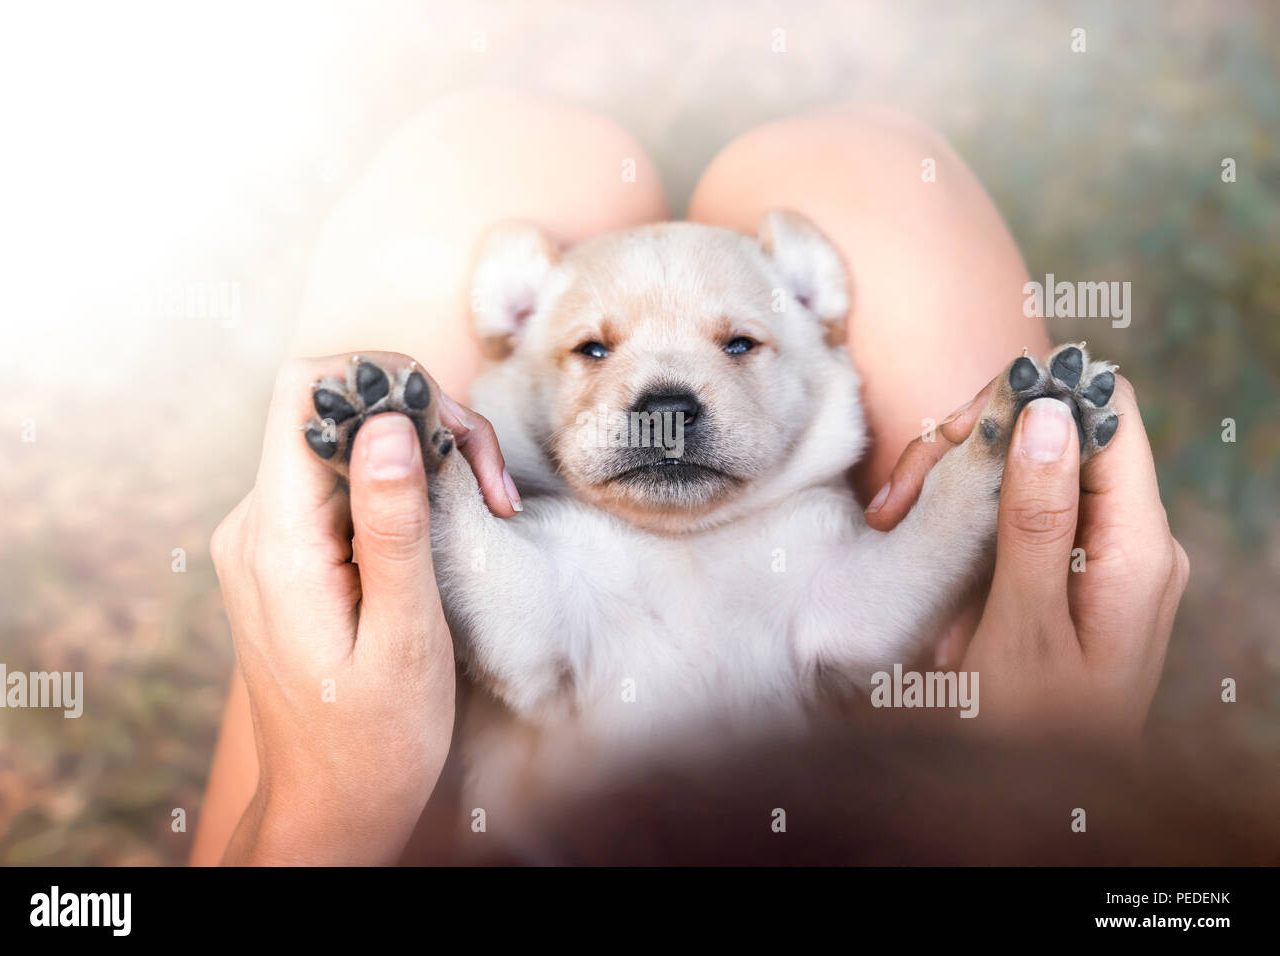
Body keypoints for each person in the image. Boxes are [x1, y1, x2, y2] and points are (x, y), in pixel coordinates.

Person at [190, 90, 1188, 865]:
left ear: (811, 322)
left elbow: (530, 632)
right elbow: (859, 620)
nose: (666, 401)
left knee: (487, 151)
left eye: (739, 342)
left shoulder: (786, 524)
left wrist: (316, 821)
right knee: (872, 166)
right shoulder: (584, 536)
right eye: (592, 347)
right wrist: (1053, 779)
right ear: (519, 332)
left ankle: (391, 447)